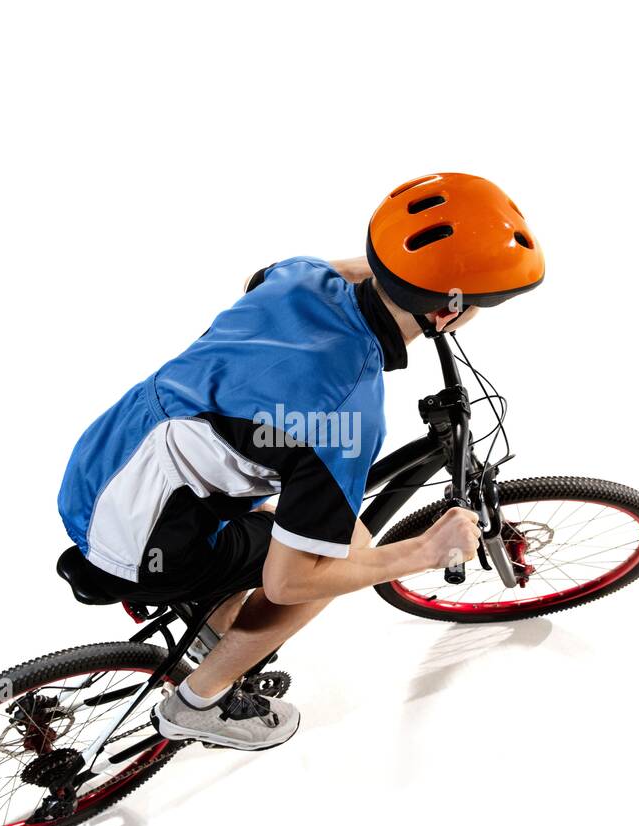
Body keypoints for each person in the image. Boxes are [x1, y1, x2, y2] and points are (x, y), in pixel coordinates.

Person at [57, 172, 545, 750]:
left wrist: (387, 272)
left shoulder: (302, 276)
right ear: (446, 315)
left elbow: (258, 279)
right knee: (336, 561)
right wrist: (423, 551)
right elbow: (288, 585)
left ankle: (215, 628)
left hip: (101, 464)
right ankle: (197, 703)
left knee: (290, 502)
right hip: (141, 536)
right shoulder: (344, 414)